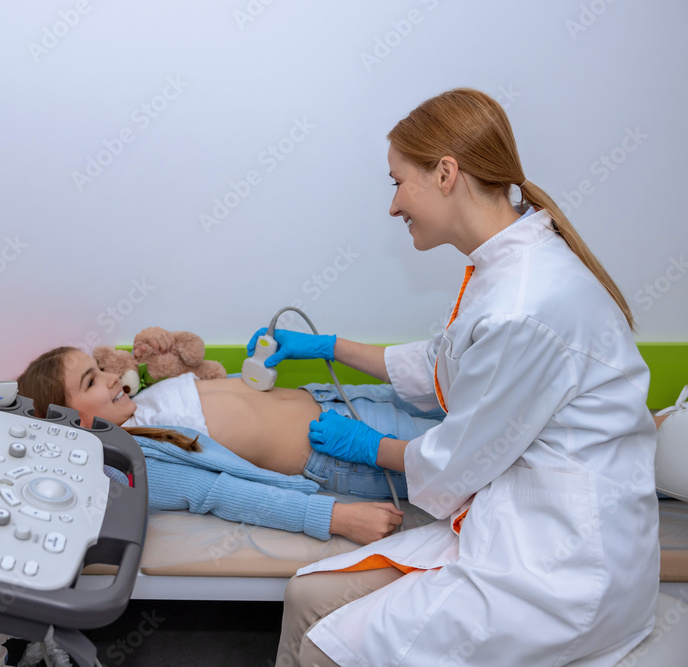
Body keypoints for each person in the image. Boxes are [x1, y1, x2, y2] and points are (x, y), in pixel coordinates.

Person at [260, 88, 659, 666]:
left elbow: (457, 458)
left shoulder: (525, 303)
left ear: (446, 173)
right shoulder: (505, 270)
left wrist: (369, 446)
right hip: (515, 519)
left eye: (398, 182)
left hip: (562, 565)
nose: (393, 206)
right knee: (305, 595)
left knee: (328, 649)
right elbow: (442, 363)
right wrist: (329, 347)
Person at [16, 340, 444, 545]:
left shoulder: (138, 404)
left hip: (339, 400)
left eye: (99, 369)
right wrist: (336, 517)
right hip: (348, 453)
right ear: (70, 421)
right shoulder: (134, 458)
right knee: (466, 460)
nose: (112, 377)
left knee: (468, 409)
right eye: (91, 381)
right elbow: (223, 494)